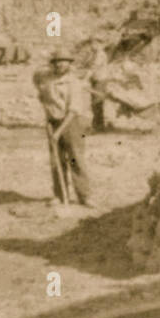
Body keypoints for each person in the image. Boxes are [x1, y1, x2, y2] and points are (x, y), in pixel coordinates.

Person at [32, 53, 93, 205]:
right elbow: (41, 92)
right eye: (57, 62)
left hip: (72, 123)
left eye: (63, 62)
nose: (60, 65)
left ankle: (84, 196)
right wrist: (48, 116)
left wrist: (58, 133)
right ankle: (59, 195)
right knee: (56, 161)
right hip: (53, 122)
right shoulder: (48, 79)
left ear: (69, 64)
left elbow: (74, 110)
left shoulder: (73, 83)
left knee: (75, 159)